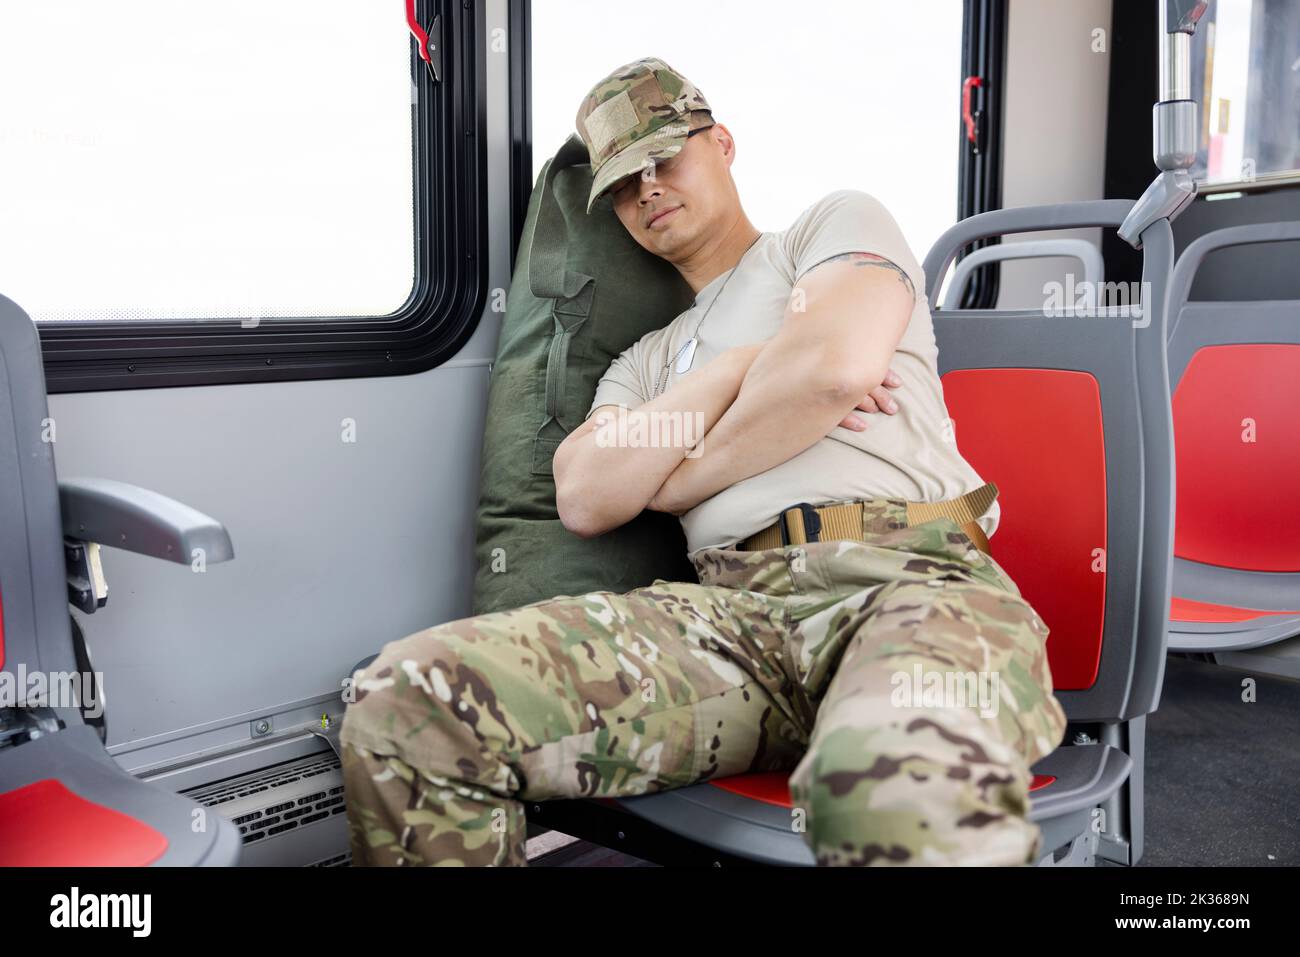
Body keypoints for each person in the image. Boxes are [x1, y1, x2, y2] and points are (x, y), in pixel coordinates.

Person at [340, 56, 1067, 866]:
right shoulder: (643, 362)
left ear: (721, 142)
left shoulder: (831, 227)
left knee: (890, 790)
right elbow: (585, 491)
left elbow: (833, 367)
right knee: (405, 704)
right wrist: (743, 366)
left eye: (664, 157)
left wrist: (678, 472)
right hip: (732, 617)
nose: (645, 188)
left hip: (909, 580)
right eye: (622, 184)